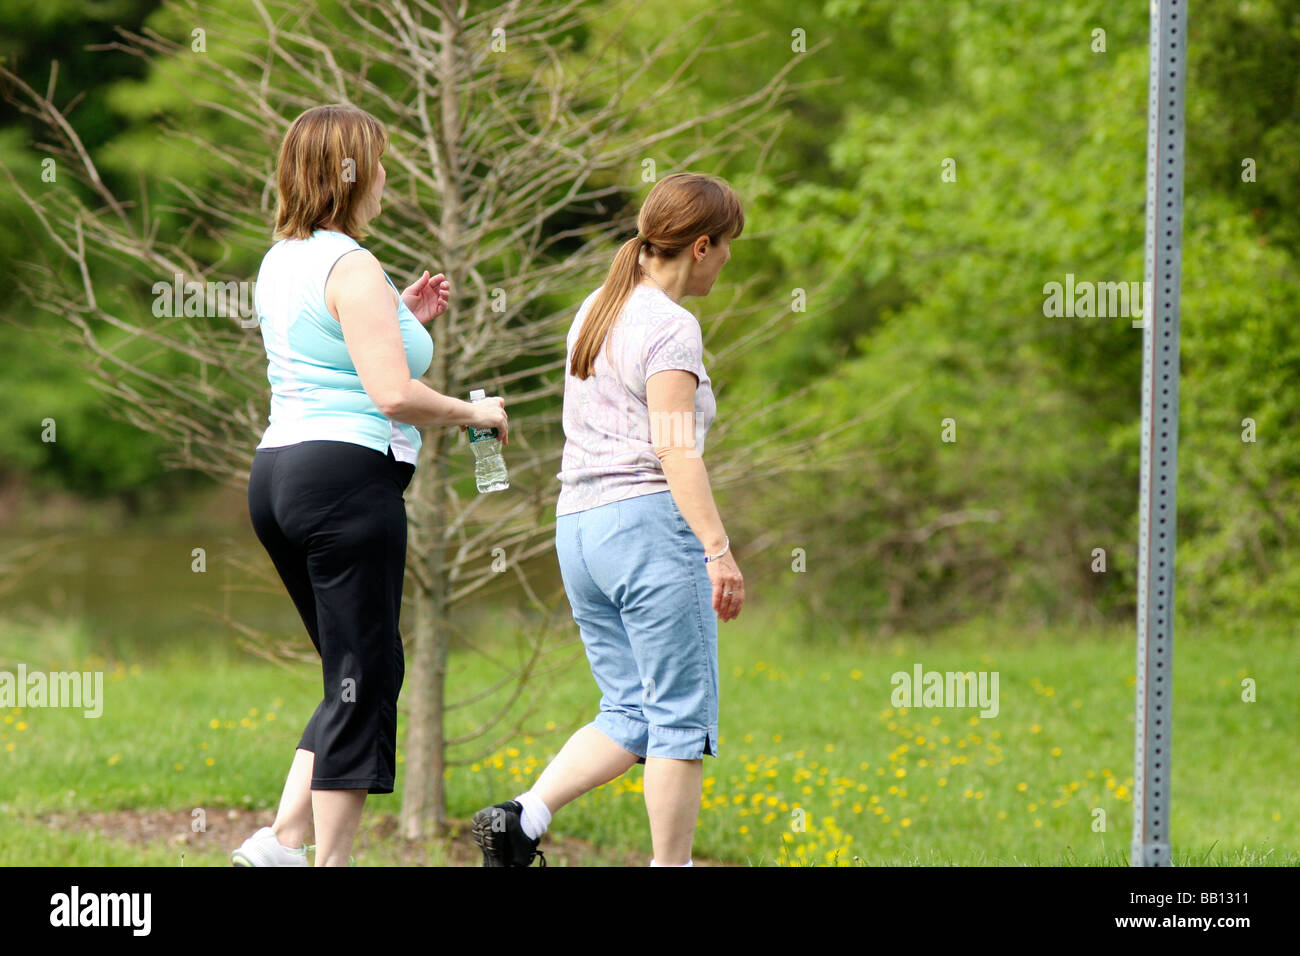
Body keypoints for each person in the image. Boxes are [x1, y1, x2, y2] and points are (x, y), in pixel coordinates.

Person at [232, 103, 508, 867]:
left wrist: (406, 314)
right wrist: (472, 411)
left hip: (279, 477)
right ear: (349, 173)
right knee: (363, 678)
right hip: (345, 482)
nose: (385, 176)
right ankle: (327, 862)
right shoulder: (353, 265)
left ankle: (281, 842)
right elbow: (391, 395)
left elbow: (343, 351)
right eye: (378, 162)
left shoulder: (283, 258)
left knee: (357, 672)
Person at [471, 172, 746, 867]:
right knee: (681, 722)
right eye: (729, 247)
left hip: (580, 533)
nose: (730, 261)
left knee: (630, 710)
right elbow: (675, 448)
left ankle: (522, 818)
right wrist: (717, 549)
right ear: (703, 246)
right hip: (648, 532)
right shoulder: (670, 326)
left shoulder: (598, 305)